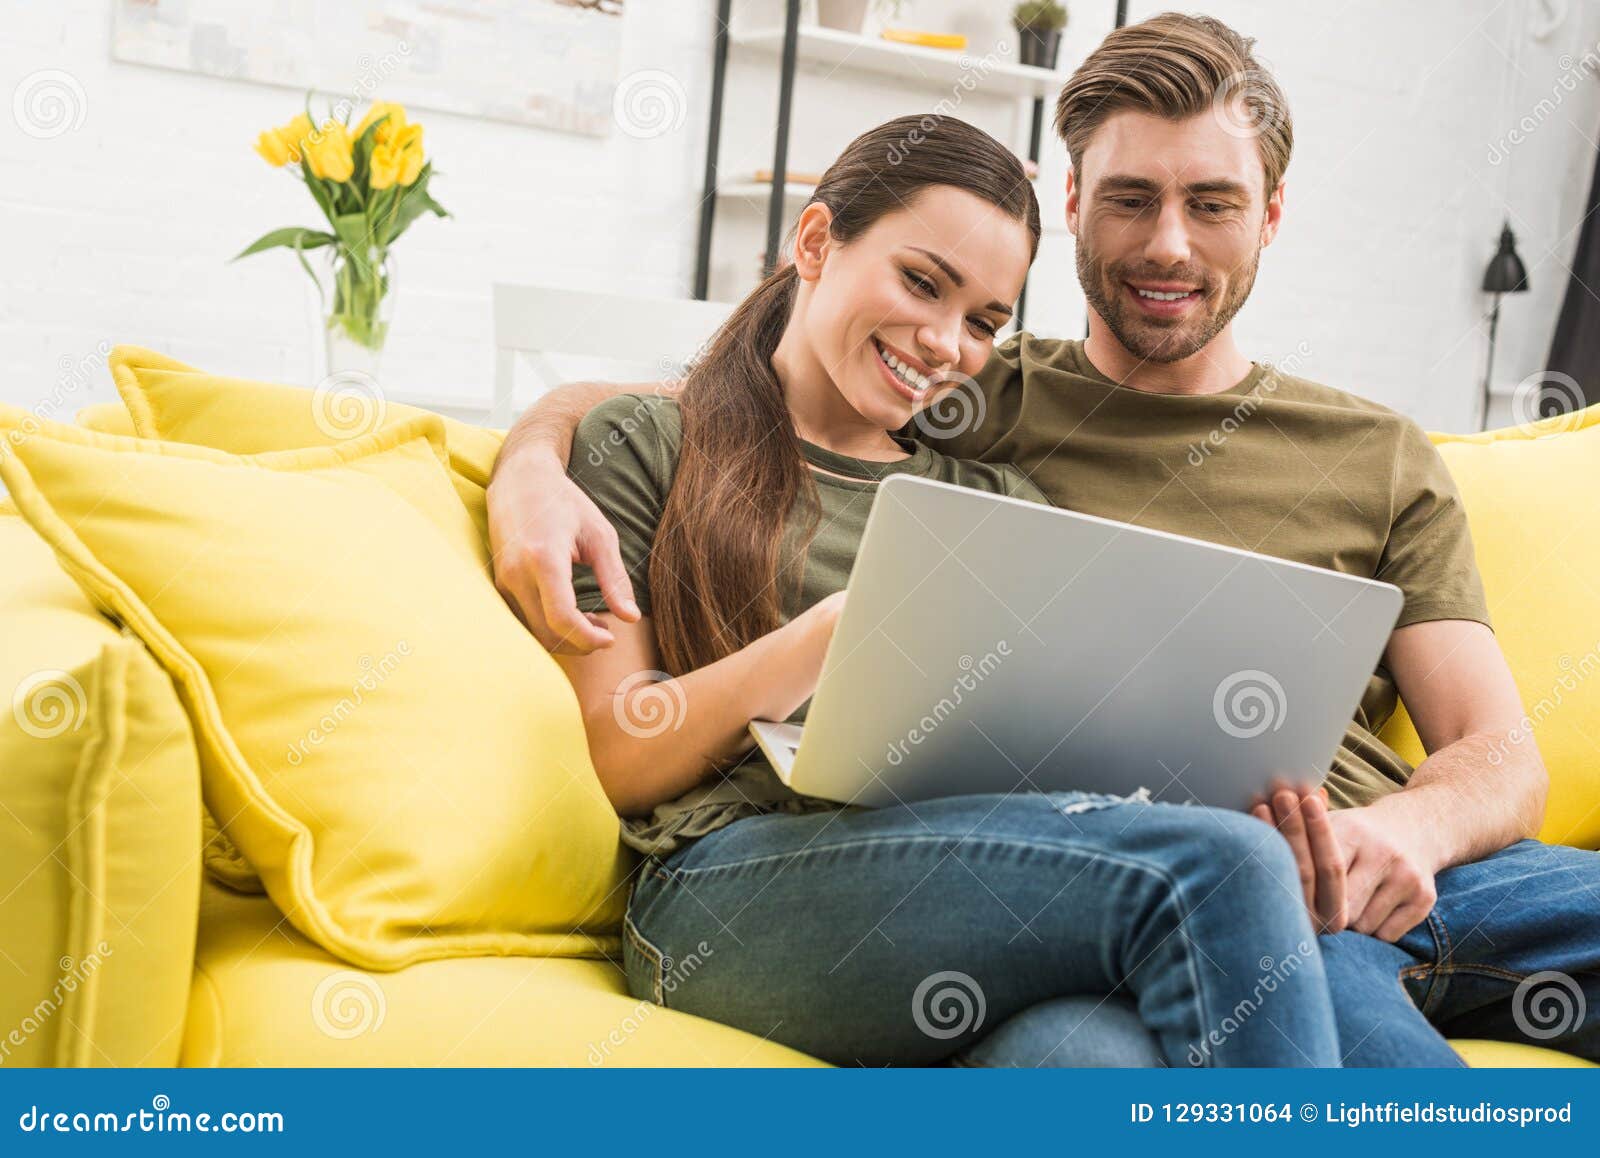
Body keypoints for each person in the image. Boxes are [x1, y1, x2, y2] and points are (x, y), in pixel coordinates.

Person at [489, 16, 1600, 1066]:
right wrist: (535, 457)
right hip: (1190, 876)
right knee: (1165, 983)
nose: (1167, 244)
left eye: (1211, 202)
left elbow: (1500, 756)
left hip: (1408, 868)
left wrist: (1407, 829)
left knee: (1089, 1042)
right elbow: (729, 403)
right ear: (1074, 204)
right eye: (1130, 199)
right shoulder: (972, 404)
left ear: (1268, 215)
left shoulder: (1361, 452)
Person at [519, 111, 1340, 1068]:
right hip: (719, 893)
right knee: (1219, 868)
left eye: (985, 321)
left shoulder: (992, 503)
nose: (947, 343)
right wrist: (832, 635)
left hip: (957, 891)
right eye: (922, 283)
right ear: (817, 242)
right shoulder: (644, 445)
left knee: (1085, 1059)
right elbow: (616, 752)